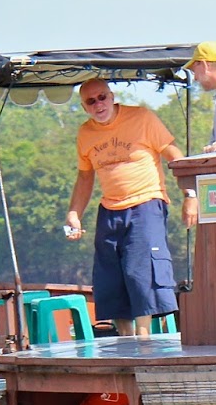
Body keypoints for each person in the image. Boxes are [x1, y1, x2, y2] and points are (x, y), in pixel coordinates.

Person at [64, 79, 196, 337]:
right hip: (110, 209)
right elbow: (84, 177)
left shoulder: (142, 118)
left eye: (102, 97)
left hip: (146, 203)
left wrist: (190, 194)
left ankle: (144, 339)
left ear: (112, 97)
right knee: (110, 278)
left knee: (141, 272)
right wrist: (73, 214)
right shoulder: (85, 133)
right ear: (84, 107)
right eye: (91, 101)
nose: (98, 104)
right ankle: (126, 340)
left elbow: (174, 155)